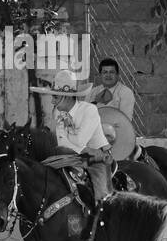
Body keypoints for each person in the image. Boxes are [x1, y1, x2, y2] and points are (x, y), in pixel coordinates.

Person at [31, 69, 113, 203]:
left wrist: (67, 129)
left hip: (97, 158)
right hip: (68, 156)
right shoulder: (58, 112)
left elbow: (79, 142)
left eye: (55, 97)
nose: (52, 101)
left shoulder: (89, 110)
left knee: (100, 200)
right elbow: (63, 144)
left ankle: (101, 215)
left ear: (67, 96)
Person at [90, 57, 136, 147]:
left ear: (117, 75)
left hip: (118, 138)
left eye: (111, 72)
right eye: (105, 72)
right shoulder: (93, 92)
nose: (108, 75)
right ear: (100, 75)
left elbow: (125, 121)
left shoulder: (125, 92)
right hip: (94, 137)